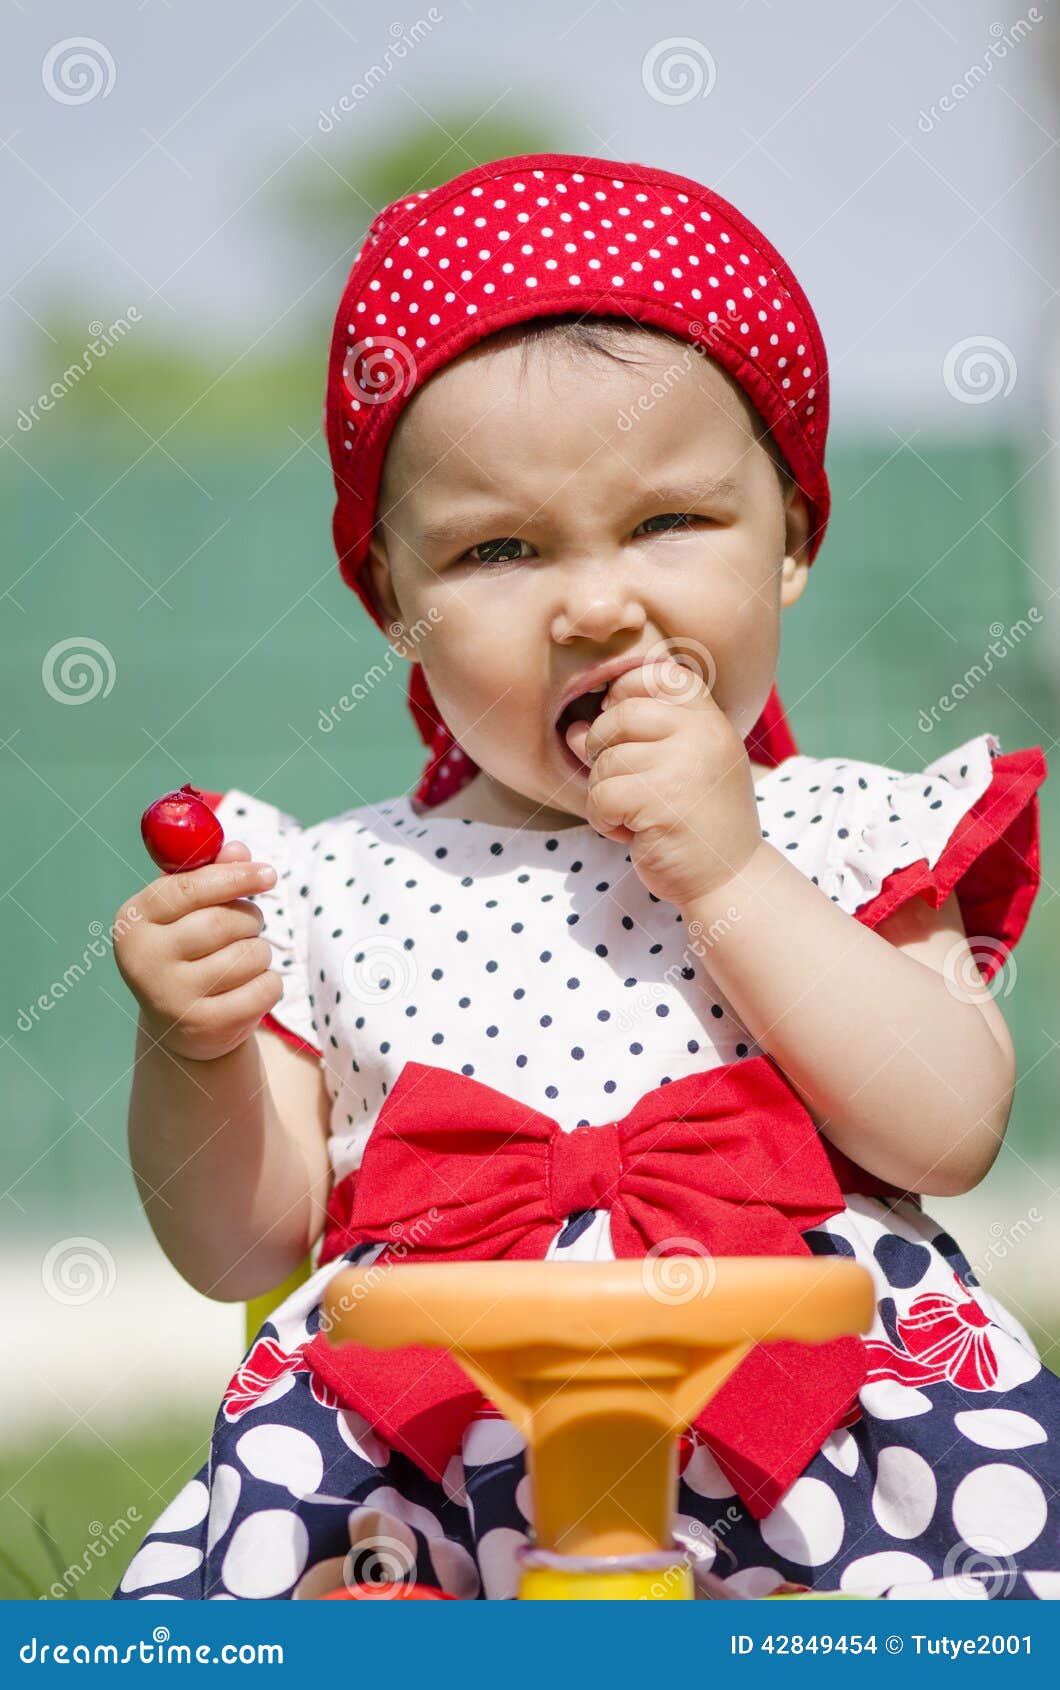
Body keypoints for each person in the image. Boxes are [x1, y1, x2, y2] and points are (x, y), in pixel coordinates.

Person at [111, 153, 1057, 1601]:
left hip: (818, 1452)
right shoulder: (332, 883)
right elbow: (242, 1234)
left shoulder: (846, 831)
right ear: (392, 600)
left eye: (671, 523)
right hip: (420, 1451)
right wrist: (193, 1043)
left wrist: (734, 871)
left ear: (792, 539)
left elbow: (950, 1126)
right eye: (500, 548)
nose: (598, 603)